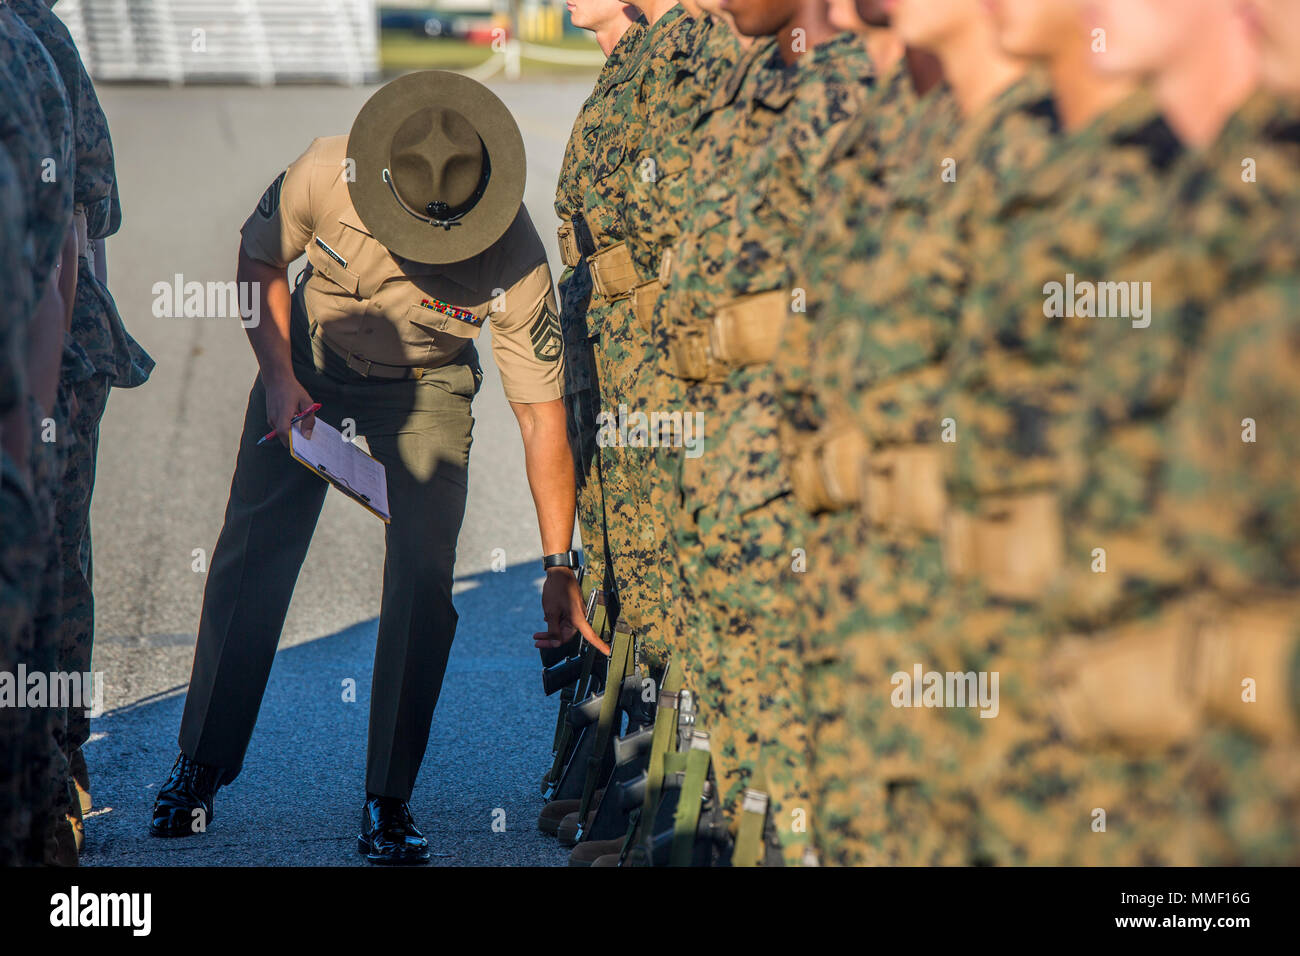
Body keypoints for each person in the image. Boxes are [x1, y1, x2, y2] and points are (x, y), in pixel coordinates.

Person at [147, 71, 597, 865]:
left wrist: (559, 563)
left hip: (426, 394)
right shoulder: (325, 169)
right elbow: (257, 266)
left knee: (424, 581)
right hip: (311, 372)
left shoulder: (516, 256)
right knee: (250, 557)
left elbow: (540, 416)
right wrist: (281, 379)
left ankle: (388, 798)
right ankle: (200, 767)